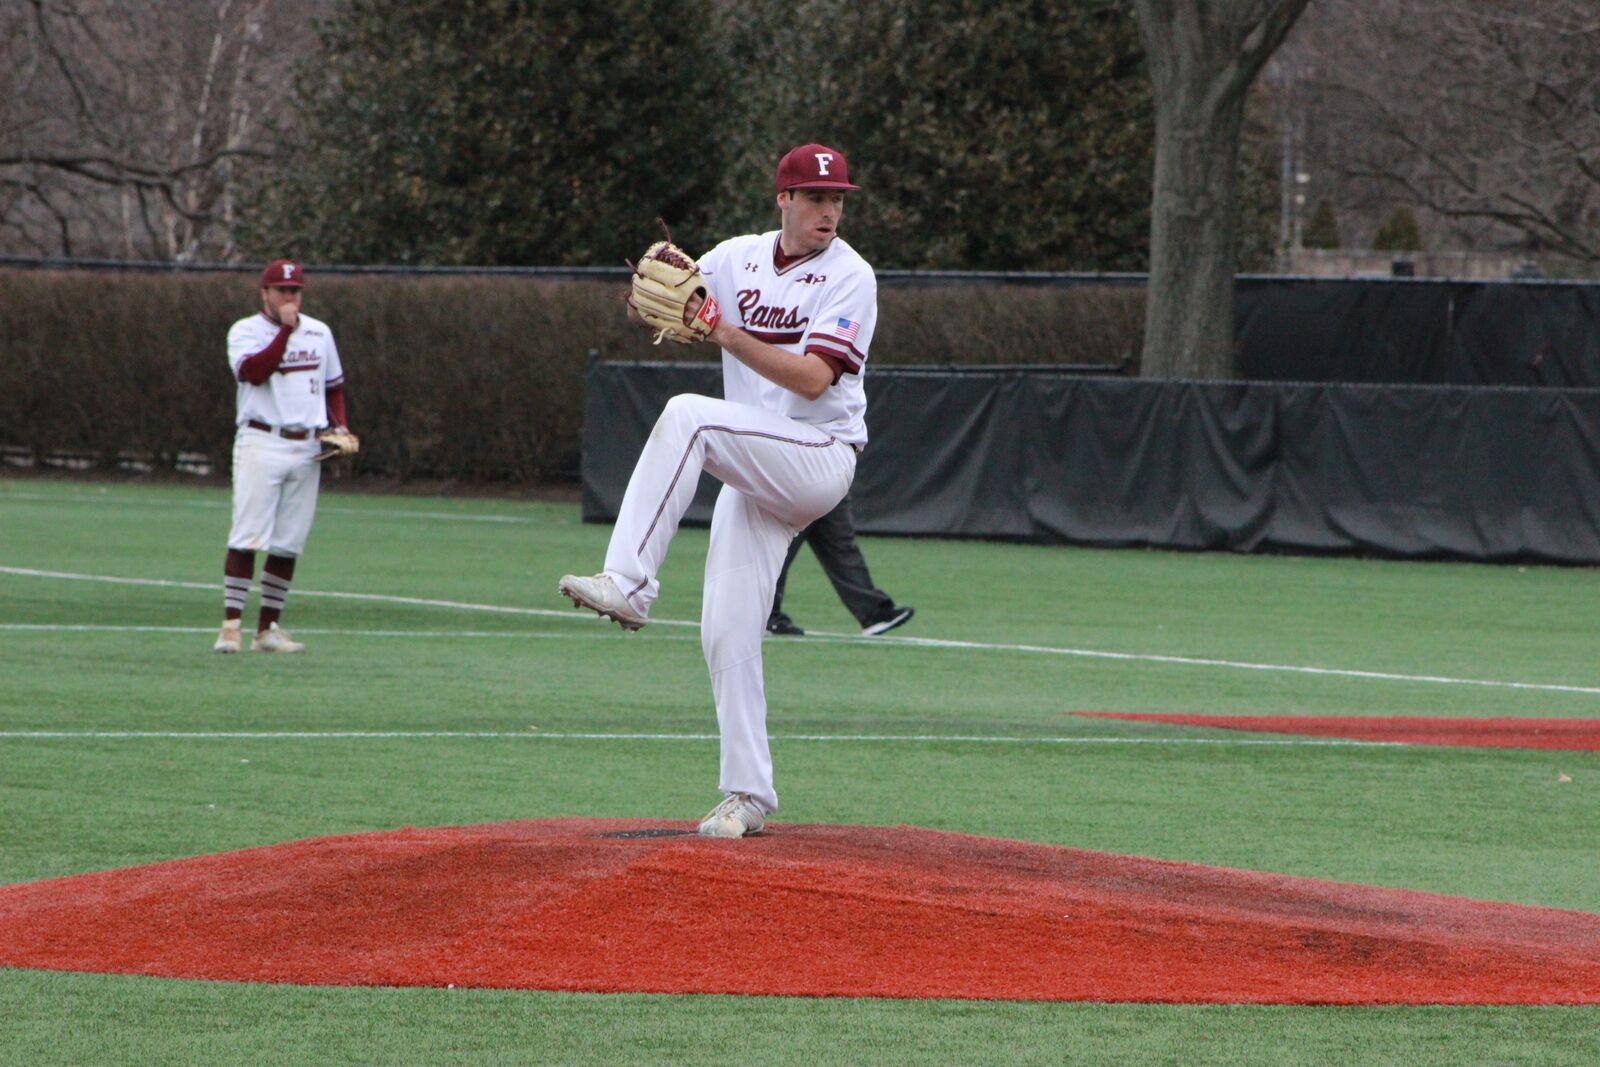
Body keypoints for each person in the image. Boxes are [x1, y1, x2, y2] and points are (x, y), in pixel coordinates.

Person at [559, 143, 875, 838]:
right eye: (815, 197)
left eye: (837, 198)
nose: (829, 210)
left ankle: (629, 582)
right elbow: (665, 302)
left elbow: (813, 380)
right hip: (757, 460)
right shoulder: (737, 259)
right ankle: (747, 794)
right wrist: (654, 295)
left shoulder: (851, 275)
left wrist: (723, 331)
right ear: (783, 199)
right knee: (726, 628)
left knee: (689, 415)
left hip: (819, 455)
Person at [212, 259, 354, 654]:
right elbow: (254, 372)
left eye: (295, 291)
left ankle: (267, 631)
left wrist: (340, 427)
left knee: (289, 541)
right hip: (262, 440)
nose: (289, 297)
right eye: (281, 290)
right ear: (265, 293)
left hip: (306, 445)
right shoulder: (245, 331)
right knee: (247, 535)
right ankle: (230, 627)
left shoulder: (319, 332)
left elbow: (333, 387)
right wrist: (286, 331)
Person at [765, 493, 914, 637]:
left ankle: (872, 613)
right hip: (794, 488)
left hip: (831, 486)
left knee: (842, 546)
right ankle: (765, 615)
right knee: (780, 549)